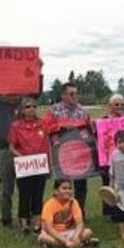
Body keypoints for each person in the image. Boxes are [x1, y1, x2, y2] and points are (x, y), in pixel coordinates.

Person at [0, 41, 45, 229]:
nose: (11, 91)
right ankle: (6, 218)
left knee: (30, 187)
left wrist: (37, 67)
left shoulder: (25, 102)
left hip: (28, 151)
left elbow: (36, 88)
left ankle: (30, 218)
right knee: (6, 186)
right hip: (5, 149)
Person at [46, 81, 95, 210]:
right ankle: (61, 213)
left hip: (80, 154)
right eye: (71, 94)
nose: (75, 97)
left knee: (81, 185)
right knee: (62, 185)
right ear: (63, 95)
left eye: (76, 94)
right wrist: (60, 126)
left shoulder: (83, 111)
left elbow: (89, 130)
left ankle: (79, 212)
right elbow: (46, 128)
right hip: (61, 155)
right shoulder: (53, 111)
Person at [8, 98, 51, 235]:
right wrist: (21, 157)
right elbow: (11, 147)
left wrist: (49, 165)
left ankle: (37, 223)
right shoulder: (16, 126)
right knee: (24, 195)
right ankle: (24, 224)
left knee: (38, 194)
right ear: (22, 109)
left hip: (40, 165)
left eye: (34, 106)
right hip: (25, 165)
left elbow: (48, 145)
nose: (31, 109)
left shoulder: (43, 124)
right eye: (27, 107)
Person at [38, 180, 99, 248]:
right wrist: (65, 241)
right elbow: (49, 228)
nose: (67, 191)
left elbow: (80, 223)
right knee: (43, 238)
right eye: (64, 188)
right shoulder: (49, 205)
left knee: (88, 232)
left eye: (69, 188)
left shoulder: (73, 202)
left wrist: (76, 236)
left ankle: (58, 246)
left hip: (69, 232)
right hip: (53, 234)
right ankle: (79, 244)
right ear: (56, 191)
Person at [99, 93, 124, 223]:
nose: (119, 107)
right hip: (107, 160)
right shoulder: (103, 121)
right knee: (109, 184)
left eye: (122, 104)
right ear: (109, 106)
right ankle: (110, 212)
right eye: (116, 104)